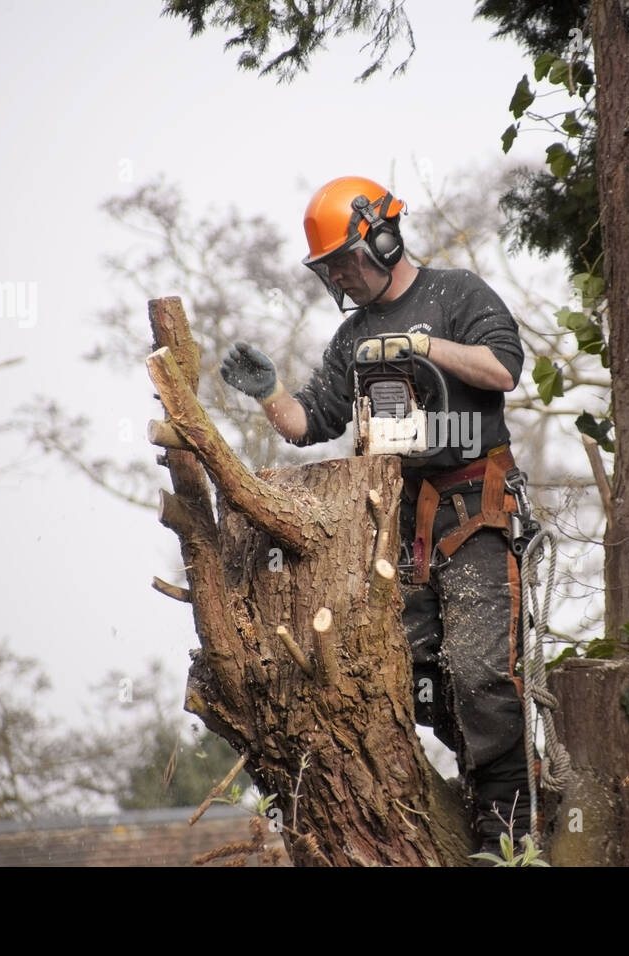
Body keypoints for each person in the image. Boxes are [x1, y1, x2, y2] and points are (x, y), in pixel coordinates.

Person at [218, 175, 532, 859]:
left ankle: (512, 833)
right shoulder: (351, 336)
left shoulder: (457, 294)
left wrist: (422, 348)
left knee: (480, 671)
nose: (339, 277)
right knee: (411, 675)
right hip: (401, 523)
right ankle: (483, 791)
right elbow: (310, 424)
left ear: (383, 237)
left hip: (475, 505)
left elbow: (504, 368)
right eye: (328, 268)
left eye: (345, 260)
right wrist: (269, 392)